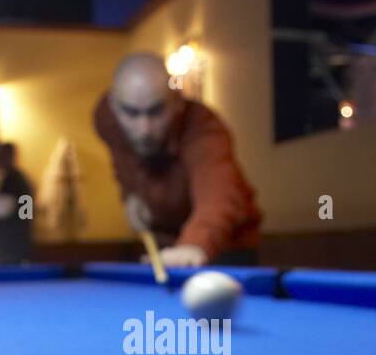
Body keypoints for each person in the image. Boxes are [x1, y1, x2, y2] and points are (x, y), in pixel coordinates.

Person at [93, 51, 261, 268]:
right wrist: (130, 196)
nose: (144, 129)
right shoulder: (105, 121)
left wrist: (195, 243)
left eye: (156, 111)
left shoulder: (204, 129)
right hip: (168, 246)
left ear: (177, 101)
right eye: (131, 113)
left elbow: (217, 196)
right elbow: (122, 159)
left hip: (225, 247)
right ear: (113, 106)